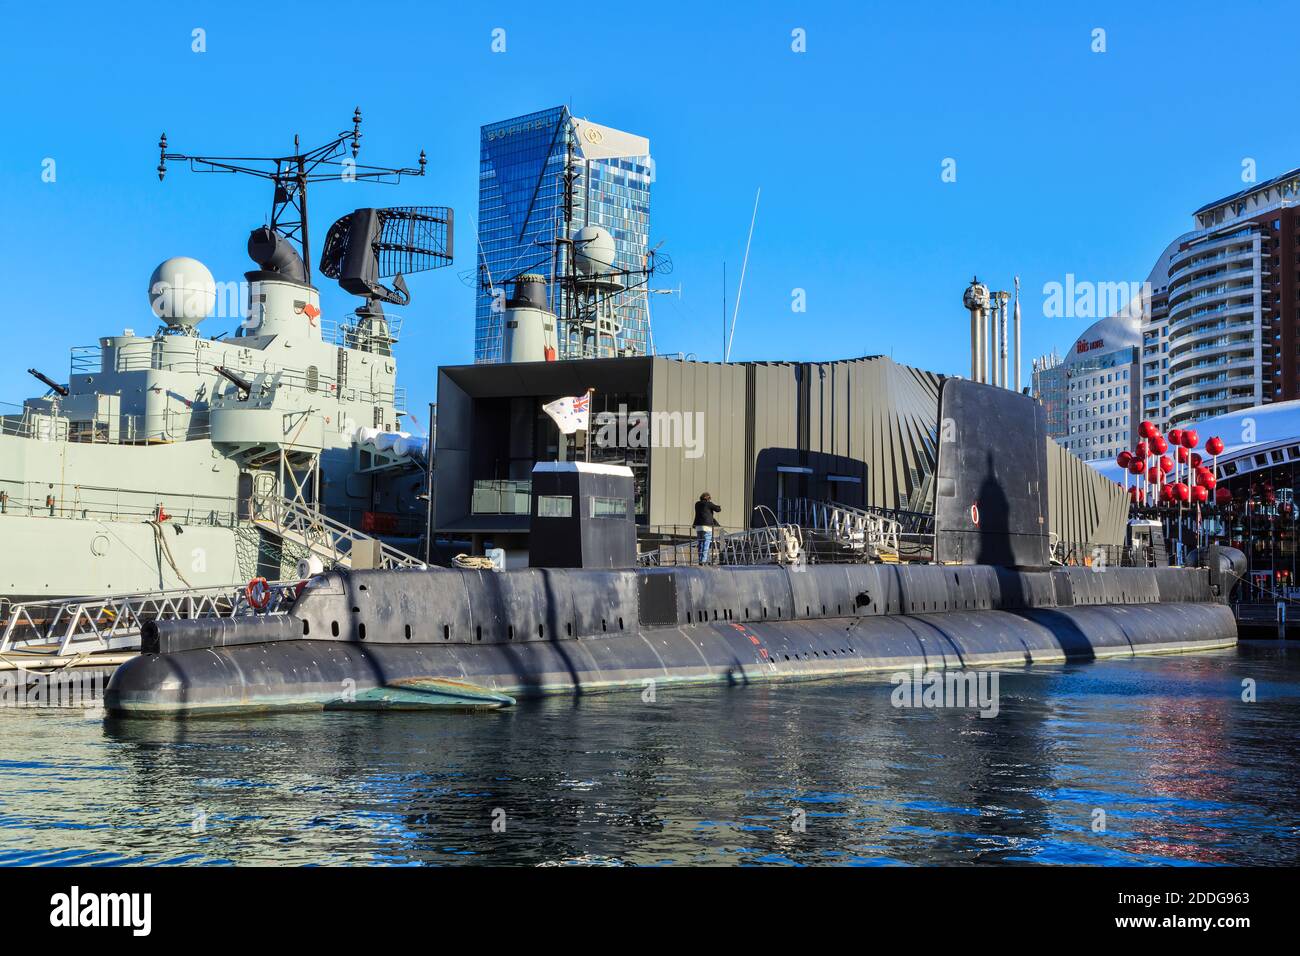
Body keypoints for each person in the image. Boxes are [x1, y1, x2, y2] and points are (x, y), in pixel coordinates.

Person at [693, 492, 721, 564]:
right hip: (707, 527)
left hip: (698, 526)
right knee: (706, 543)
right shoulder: (709, 504)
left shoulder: (697, 504)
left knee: (700, 544)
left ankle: (700, 560)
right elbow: (718, 509)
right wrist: (718, 506)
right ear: (708, 498)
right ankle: (703, 561)